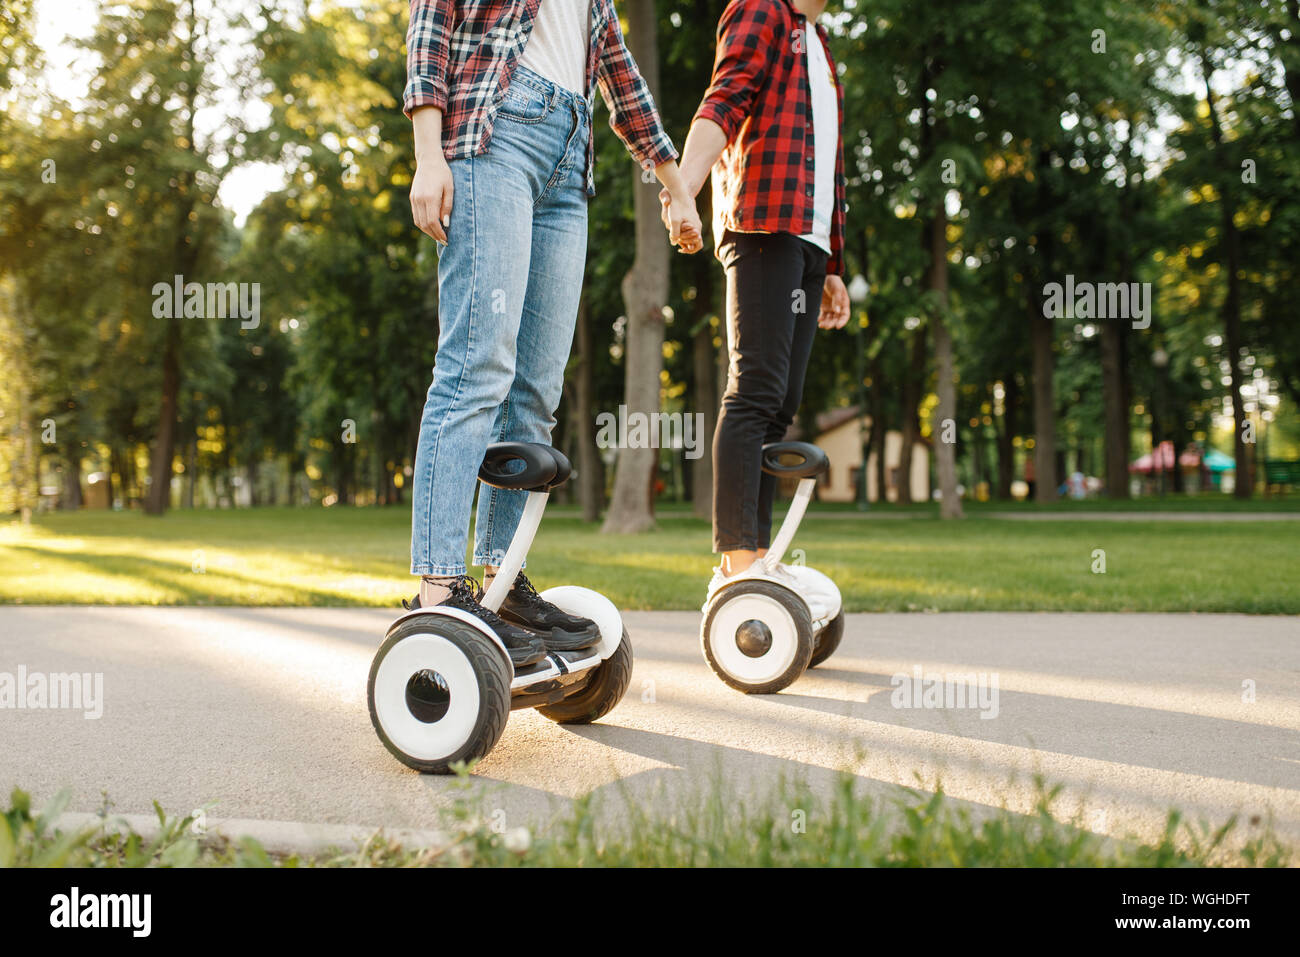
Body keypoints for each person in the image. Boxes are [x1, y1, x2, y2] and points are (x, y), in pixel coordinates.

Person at [403, 0, 702, 667]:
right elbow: (433, 18)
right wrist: (428, 152)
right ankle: (440, 590)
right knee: (478, 363)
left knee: (535, 392)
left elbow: (619, 70)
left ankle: (501, 583)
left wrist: (675, 184)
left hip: (571, 154)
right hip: (494, 129)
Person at [665, 0, 850, 602]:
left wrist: (833, 264)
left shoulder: (818, 45)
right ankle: (738, 564)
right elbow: (725, 98)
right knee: (754, 391)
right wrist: (683, 187)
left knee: (782, 402)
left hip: (807, 240)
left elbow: (830, 167)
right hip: (764, 225)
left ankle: (759, 556)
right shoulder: (760, 8)